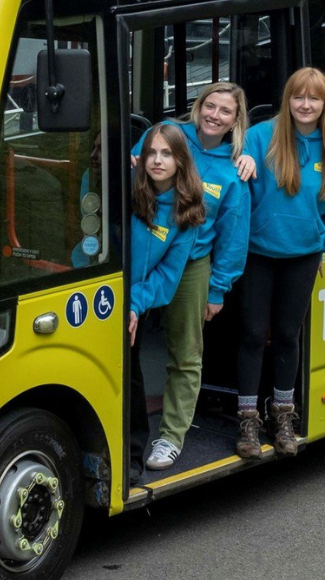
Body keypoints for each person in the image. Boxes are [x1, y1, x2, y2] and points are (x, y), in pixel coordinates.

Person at [133, 83, 255, 472]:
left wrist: (218, 289)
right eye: (209, 106)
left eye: (225, 111)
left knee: (185, 354)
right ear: (198, 107)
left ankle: (170, 437)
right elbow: (130, 167)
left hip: (191, 266)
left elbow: (234, 238)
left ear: (236, 121)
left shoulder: (234, 170)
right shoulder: (168, 136)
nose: (214, 115)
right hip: (146, 249)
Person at [236, 68, 325, 458]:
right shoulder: (259, 137)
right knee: (252, 334)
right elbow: (230, 177)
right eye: (298, 96)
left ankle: (283, 415)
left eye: (313, 98)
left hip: (304, 256)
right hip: (257, 254)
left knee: (288, 335)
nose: (305, 104)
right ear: (288, 99)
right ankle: (247, 419)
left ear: (324, 104)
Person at [127, 123, 208, 477]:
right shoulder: (126, 187)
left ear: (180, 161)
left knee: (134, 362)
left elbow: (166, 277)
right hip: (107, 289)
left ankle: (147, 446)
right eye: (151, 153)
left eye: (166, 154)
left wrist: (133, 303)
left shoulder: (187, 210)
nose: (157, 161)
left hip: (135, 295)